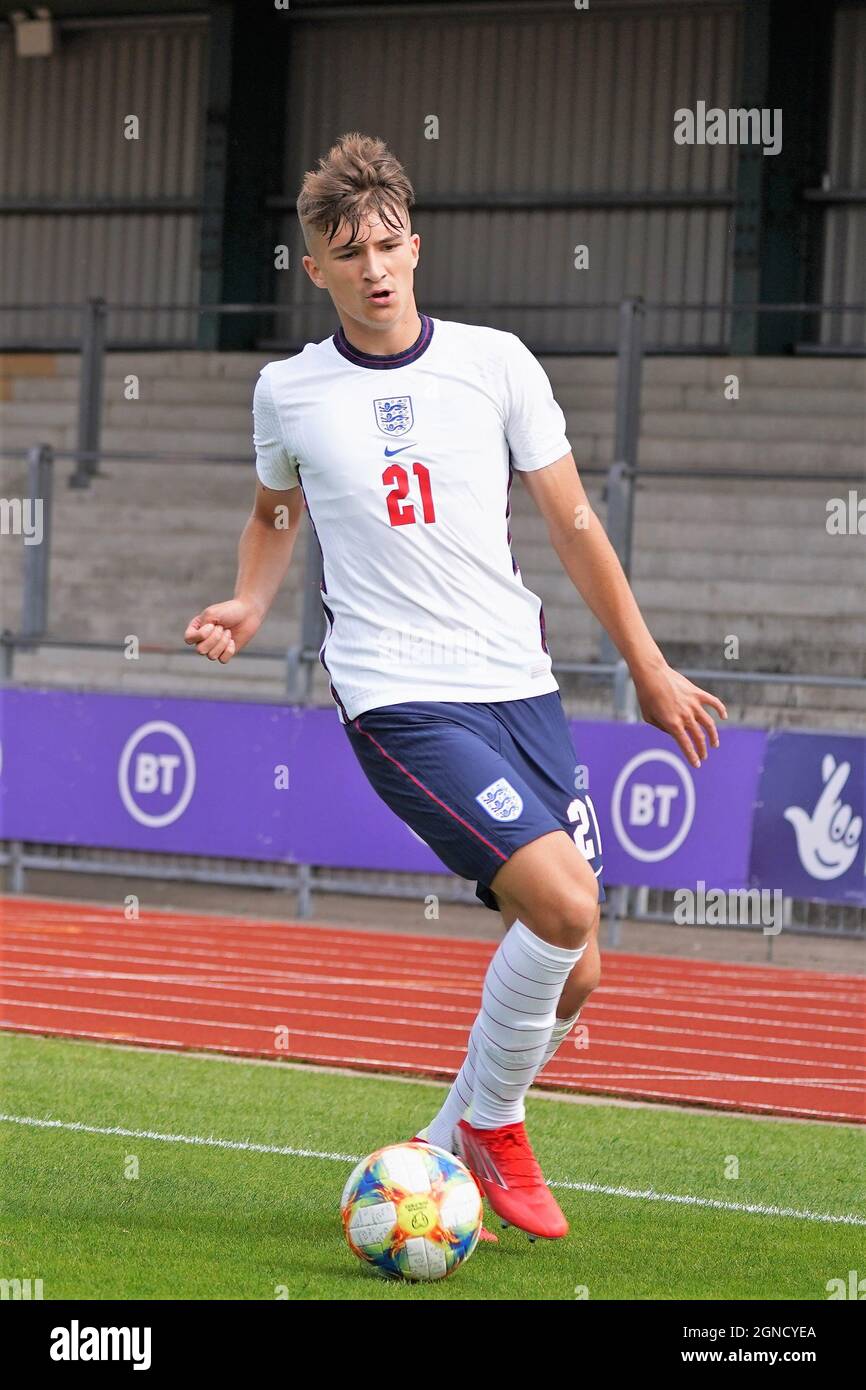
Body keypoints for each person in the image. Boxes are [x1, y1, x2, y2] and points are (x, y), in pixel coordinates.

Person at [183, 132, 727, 1242]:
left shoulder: (496, 363)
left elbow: (573, 525)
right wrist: (249, 599)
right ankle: (491, 1123)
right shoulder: (288, 390)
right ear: (317, 269)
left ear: (414, 246)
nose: (374, 267)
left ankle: (431, 1164)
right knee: (562, 902)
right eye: (350, 252)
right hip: (397, 696)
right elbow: (273, 512)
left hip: (517, 687)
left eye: (389, 244)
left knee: (574, 976)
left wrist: (648, 664)